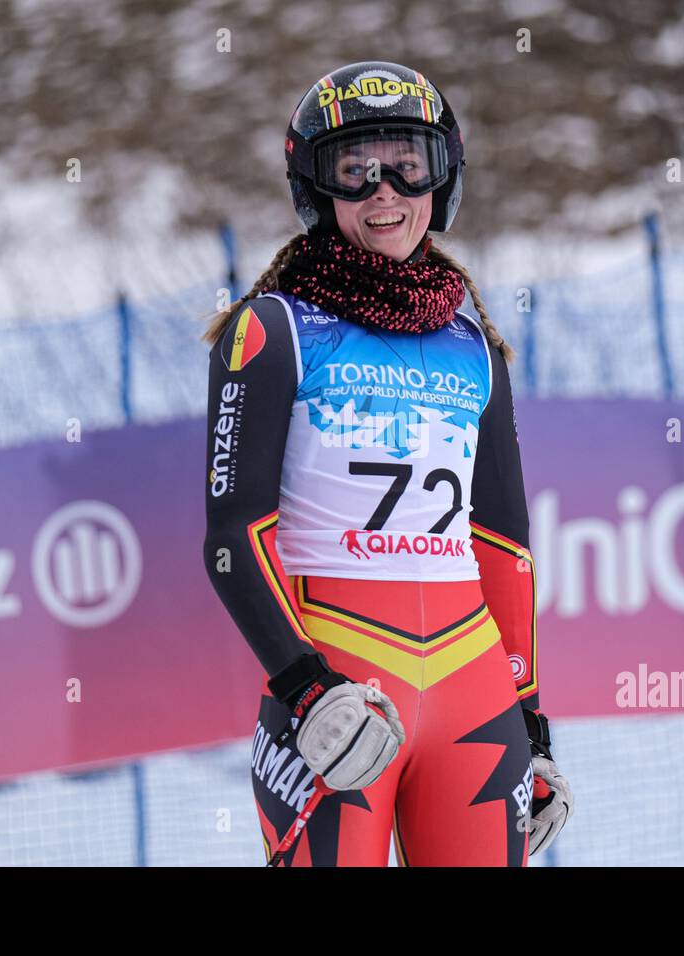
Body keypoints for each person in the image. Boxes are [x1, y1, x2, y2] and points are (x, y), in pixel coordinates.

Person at [202, 61, 572, 866]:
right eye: (355, 169)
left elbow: (503, 546)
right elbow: (234, 538)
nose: (385, 192)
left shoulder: (475, 345)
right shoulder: (271, 329)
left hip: (474, 694)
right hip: (338, 699)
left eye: (409, 164)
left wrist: (531, 720)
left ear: (444, 177)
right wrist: (304, 686)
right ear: (315, 185)